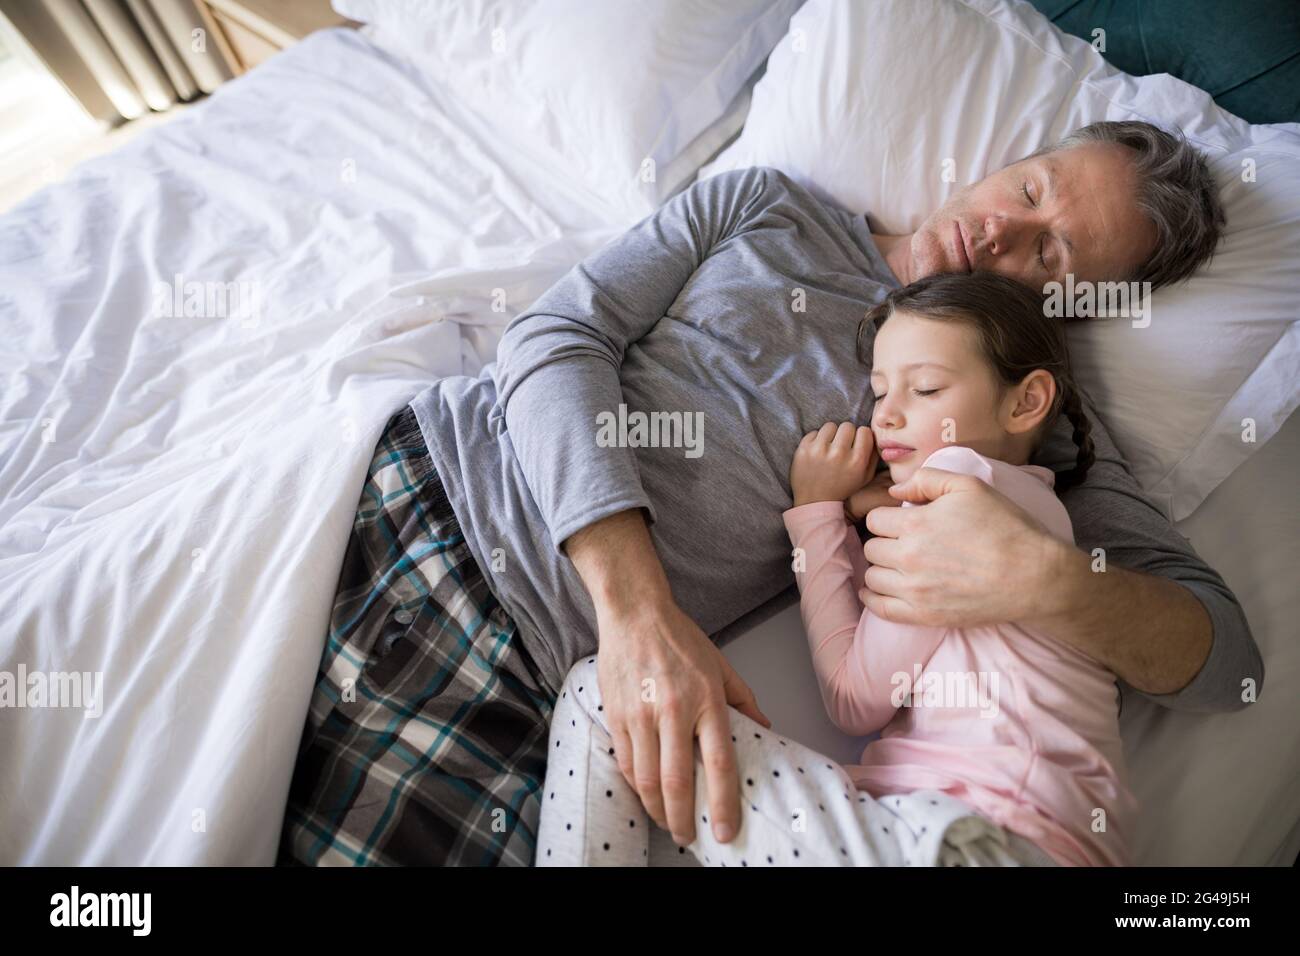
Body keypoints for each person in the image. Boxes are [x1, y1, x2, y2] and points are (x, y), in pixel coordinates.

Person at [278, 122, 1260, 866]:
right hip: (430, 498)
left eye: (1048, 254)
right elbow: (549, 337)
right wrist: (636, 613)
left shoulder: (1016, 413)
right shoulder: (767, 207)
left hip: (536, 683)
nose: (1001, 228)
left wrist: (1051, 580)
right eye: (1031, 187)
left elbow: (1227, 662)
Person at [537, 271, 1137, 867]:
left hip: (980, 840)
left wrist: (816, 511)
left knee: (610, 694)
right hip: (989, 836)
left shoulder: (966, 484)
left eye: (926, 389)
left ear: (1026, 401)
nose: (887, 417)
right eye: (879, 391)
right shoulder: (1037, 514)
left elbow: (854, 698)